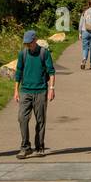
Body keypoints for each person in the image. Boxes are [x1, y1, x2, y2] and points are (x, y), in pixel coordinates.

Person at [14, 30, 55, 159]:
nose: (28, 45)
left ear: (35, 40)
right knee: (22, 118)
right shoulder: (23, 53)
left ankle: (39, 146)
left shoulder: (44, 53)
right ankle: (25, 147)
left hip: (40, 91)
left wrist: (51, 89)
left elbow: (51, 72)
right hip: (25, 91)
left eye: (30, 43)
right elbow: (19, 72)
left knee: (40, 120)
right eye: (26, 43)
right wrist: (16, 90)